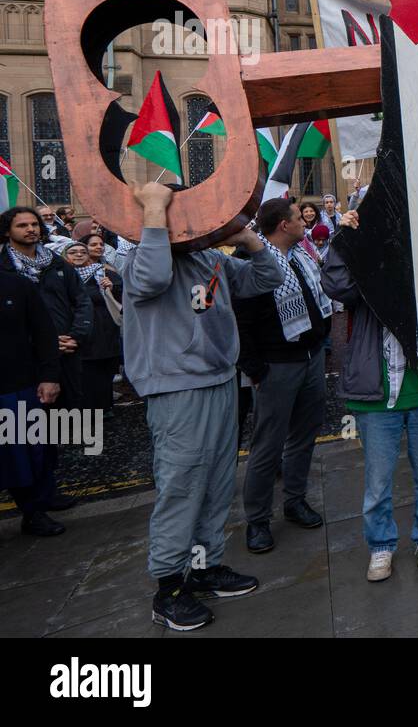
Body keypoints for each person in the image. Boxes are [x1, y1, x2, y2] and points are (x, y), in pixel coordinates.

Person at [122, 183, 284, 631]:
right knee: (182, 485)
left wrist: (250, 239)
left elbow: (268, 278)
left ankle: (205, 567)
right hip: (176, 390)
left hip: (219, 380)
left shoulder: (211, 259)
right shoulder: (143, 258)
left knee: (215, 482)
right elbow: (153, 279)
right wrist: (154, 208)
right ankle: (169, 588)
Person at [323, 208, 418, 580]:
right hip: (376, 397)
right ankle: (381, 546)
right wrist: (343, 238)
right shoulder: (365, 276)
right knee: (377, 482)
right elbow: (335, 285)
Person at [234, 199, 331, 555]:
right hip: (277, 366)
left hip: (311, 357)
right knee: (267, 446)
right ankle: (257, 520)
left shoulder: (300, 255)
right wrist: (256, 369)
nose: (303, 221)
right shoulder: (250, 262)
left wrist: (321, 341)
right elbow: (240, 319)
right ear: (283, 225)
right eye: (296, 218)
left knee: (304, 436)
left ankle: (295, 500)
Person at [1, 208, 92, 425]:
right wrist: (45, 343)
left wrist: (75, 336)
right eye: (22, 225)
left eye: (34, 224)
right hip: (25, 358)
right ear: (7, 231)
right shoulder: (4, 268)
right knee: (28, 424)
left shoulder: (57, 263)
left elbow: (82, 300)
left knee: (66, 422)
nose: (31, 229)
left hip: (66, 350)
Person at [0, 263, 63, 536]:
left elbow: (44, 333)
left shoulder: (16, 284)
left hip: (16, 387)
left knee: (29, 455)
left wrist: (50, 375)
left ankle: (33, 511)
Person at [61, 239, 123, 416]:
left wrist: (112, 287)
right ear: (66, 257)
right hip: (76, 330)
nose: (79, 254)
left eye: (83, 252)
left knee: (103, 370)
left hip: (102, 329)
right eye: (74, 252)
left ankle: (104, 406)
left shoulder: (103, 272)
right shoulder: (61, 276)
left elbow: (122, 292)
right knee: (83, 371)